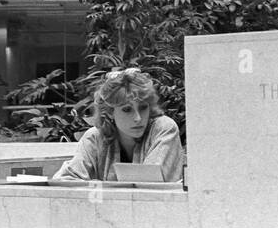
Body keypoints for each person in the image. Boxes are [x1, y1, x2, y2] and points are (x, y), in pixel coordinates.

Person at [53, 68, 183, 183]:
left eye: (143, 108)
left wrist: (96, 186)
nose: (138, 118)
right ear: (109, 112)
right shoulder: (95, 137)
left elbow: (149, 185)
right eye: (127, 110)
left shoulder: (163, 128)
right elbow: (64, 180)